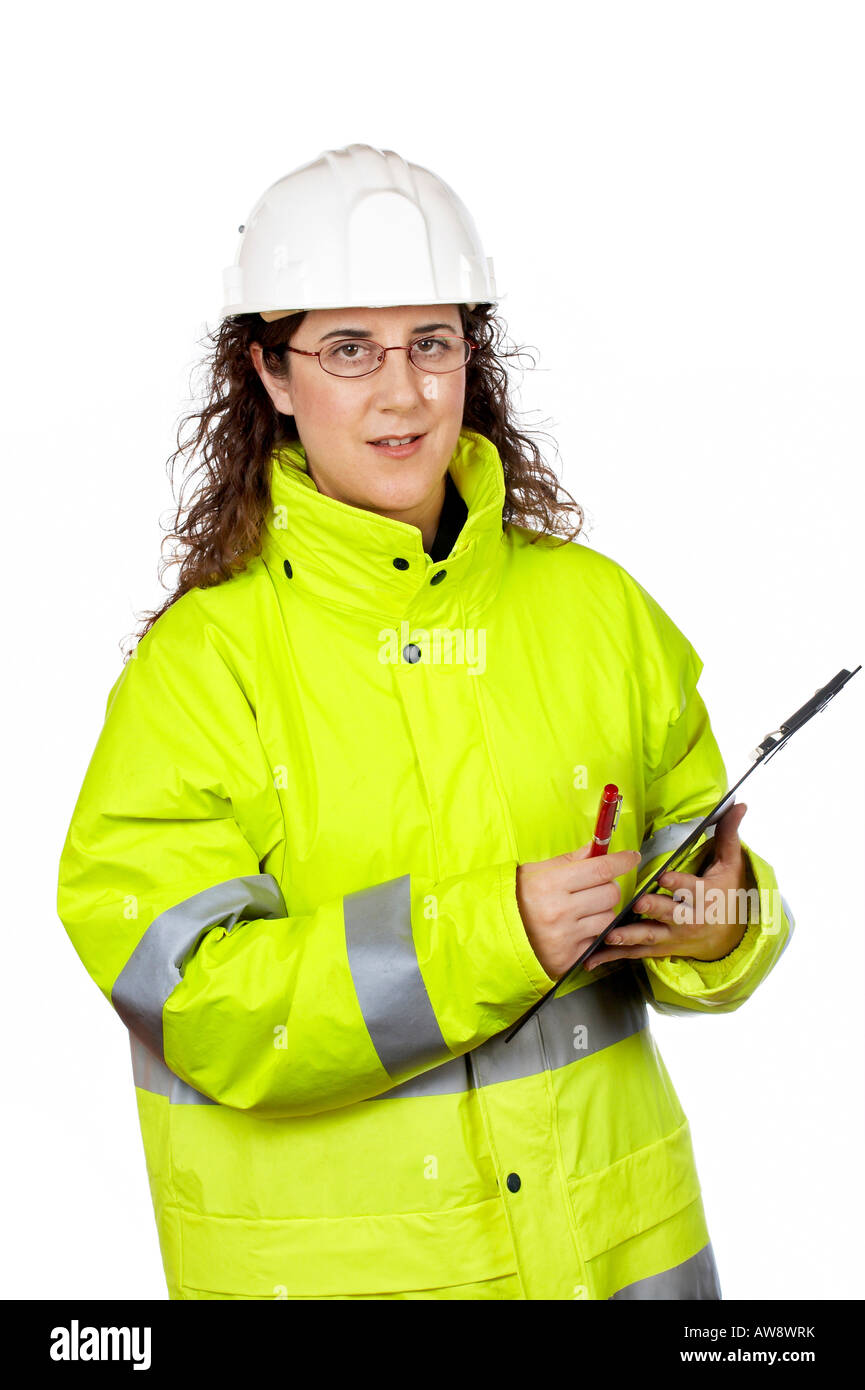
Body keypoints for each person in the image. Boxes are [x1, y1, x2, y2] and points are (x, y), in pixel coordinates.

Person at [56, 143, 794, 1301]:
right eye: (349, 349)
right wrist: (494, 934)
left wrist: (720, 924)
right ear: (272, 374)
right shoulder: (201, 670)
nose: (404, 394)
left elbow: (717, 879)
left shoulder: (595, 609)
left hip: (622, 1265)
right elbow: (191, 997)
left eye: (432, 343)